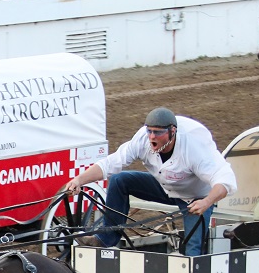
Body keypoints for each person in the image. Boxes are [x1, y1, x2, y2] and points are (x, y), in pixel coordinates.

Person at [65, 108, 237, 257]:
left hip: (196, 198)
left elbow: (225, 179)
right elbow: (112, 163)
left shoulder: (193, 147)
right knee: (119, 180)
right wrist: (79, 179)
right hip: (164, 187)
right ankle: (104, 239)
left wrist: (206, 202)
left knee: (193, 250)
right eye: (150, 131)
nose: (152, 137)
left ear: (172, 131)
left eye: (158, 133)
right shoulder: (142, 139)